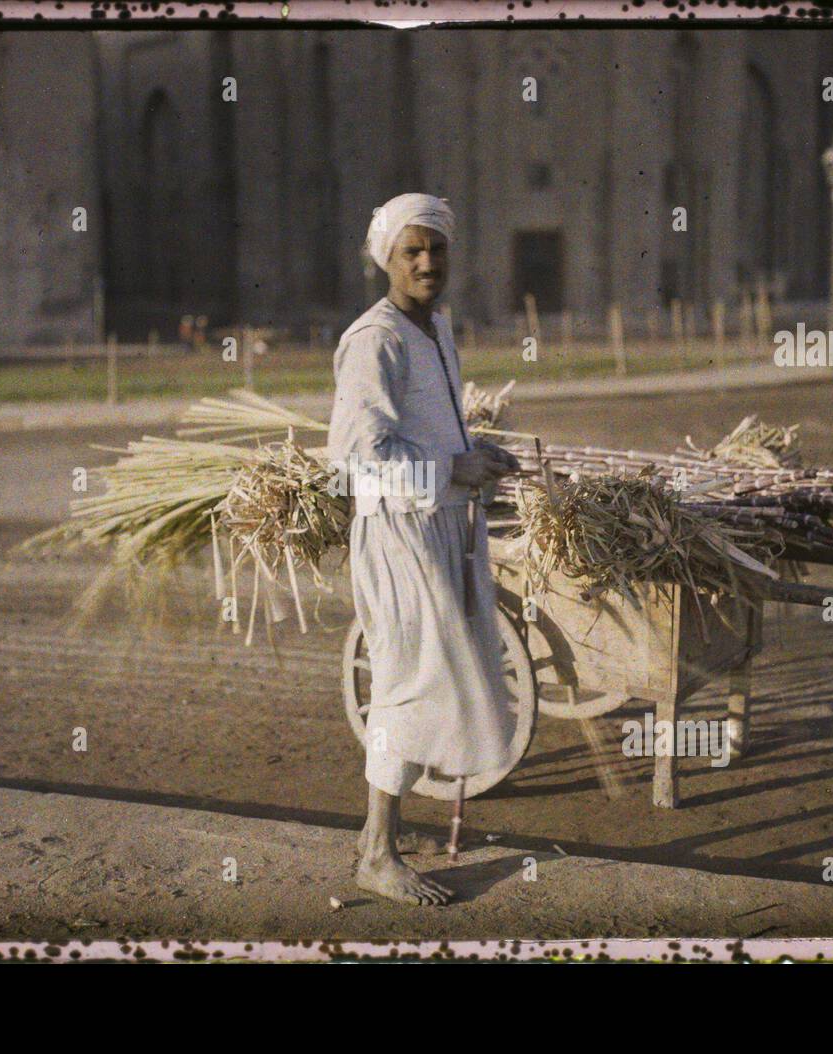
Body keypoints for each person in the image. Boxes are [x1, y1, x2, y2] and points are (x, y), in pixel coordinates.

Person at [328, 193, 521, 906]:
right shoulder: (373, 339)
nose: (426, 262)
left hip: (439, 525)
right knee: (410, 687)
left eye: (435, 249)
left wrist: (475, 451)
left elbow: (430, 429)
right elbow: (353, 459)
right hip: (396, 534)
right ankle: (377, 854)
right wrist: (447, 471)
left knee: (432, 683)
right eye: (411, 251)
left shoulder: (436, 328)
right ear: (387, 258)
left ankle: (374, 844)